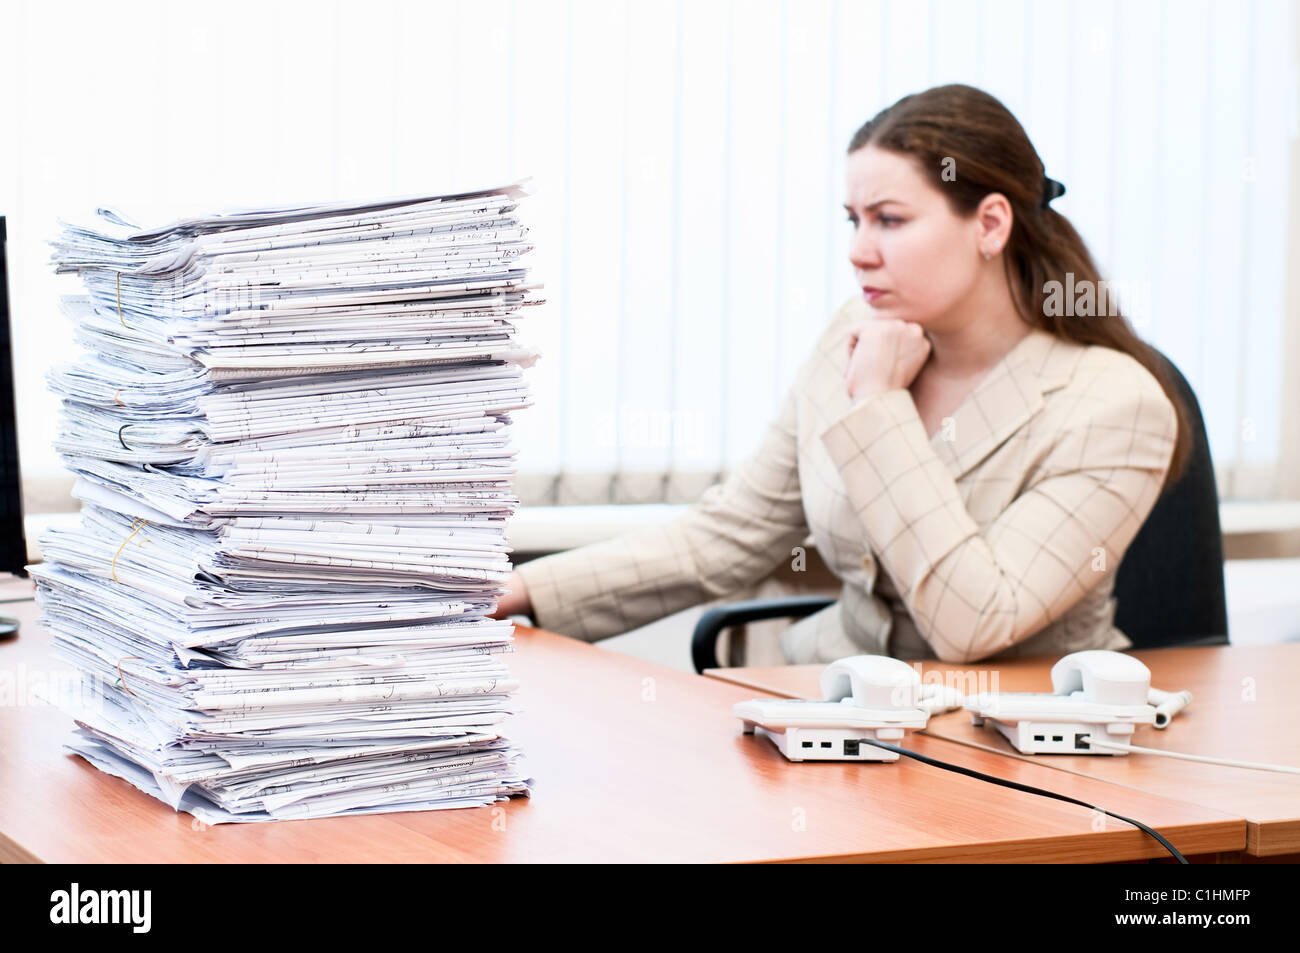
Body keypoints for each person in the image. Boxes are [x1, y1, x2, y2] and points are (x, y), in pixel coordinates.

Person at [493, 83, 1192, 665]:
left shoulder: (1114, 404)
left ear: (990, 224)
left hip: (1010, 746)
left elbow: (973, 622)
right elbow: (733, 534)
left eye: (889, 220)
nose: (859, 252)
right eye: (853, 220)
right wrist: (517, 590)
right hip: (829, 709)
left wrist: (881, 403)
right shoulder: (850, 336)